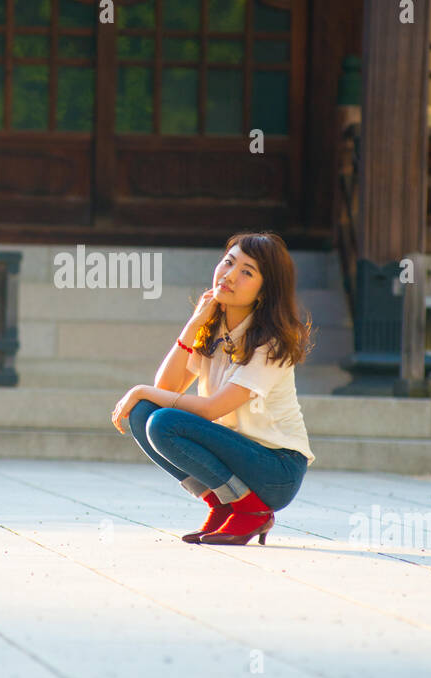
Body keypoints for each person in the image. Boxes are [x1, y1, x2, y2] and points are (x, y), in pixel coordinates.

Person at [110, 231, 315, 546]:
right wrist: (193, 325)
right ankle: (223, 504)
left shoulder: (269, 342)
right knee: (143, 415)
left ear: (264, 291)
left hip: (275, 469)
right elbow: (165, 387)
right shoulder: (214, 328)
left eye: (247, 272)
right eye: (228, 263)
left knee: (164, 422)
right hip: (234, 454)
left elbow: (211, 409)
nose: (230, 276)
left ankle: (252, 511)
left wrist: (139, 389)